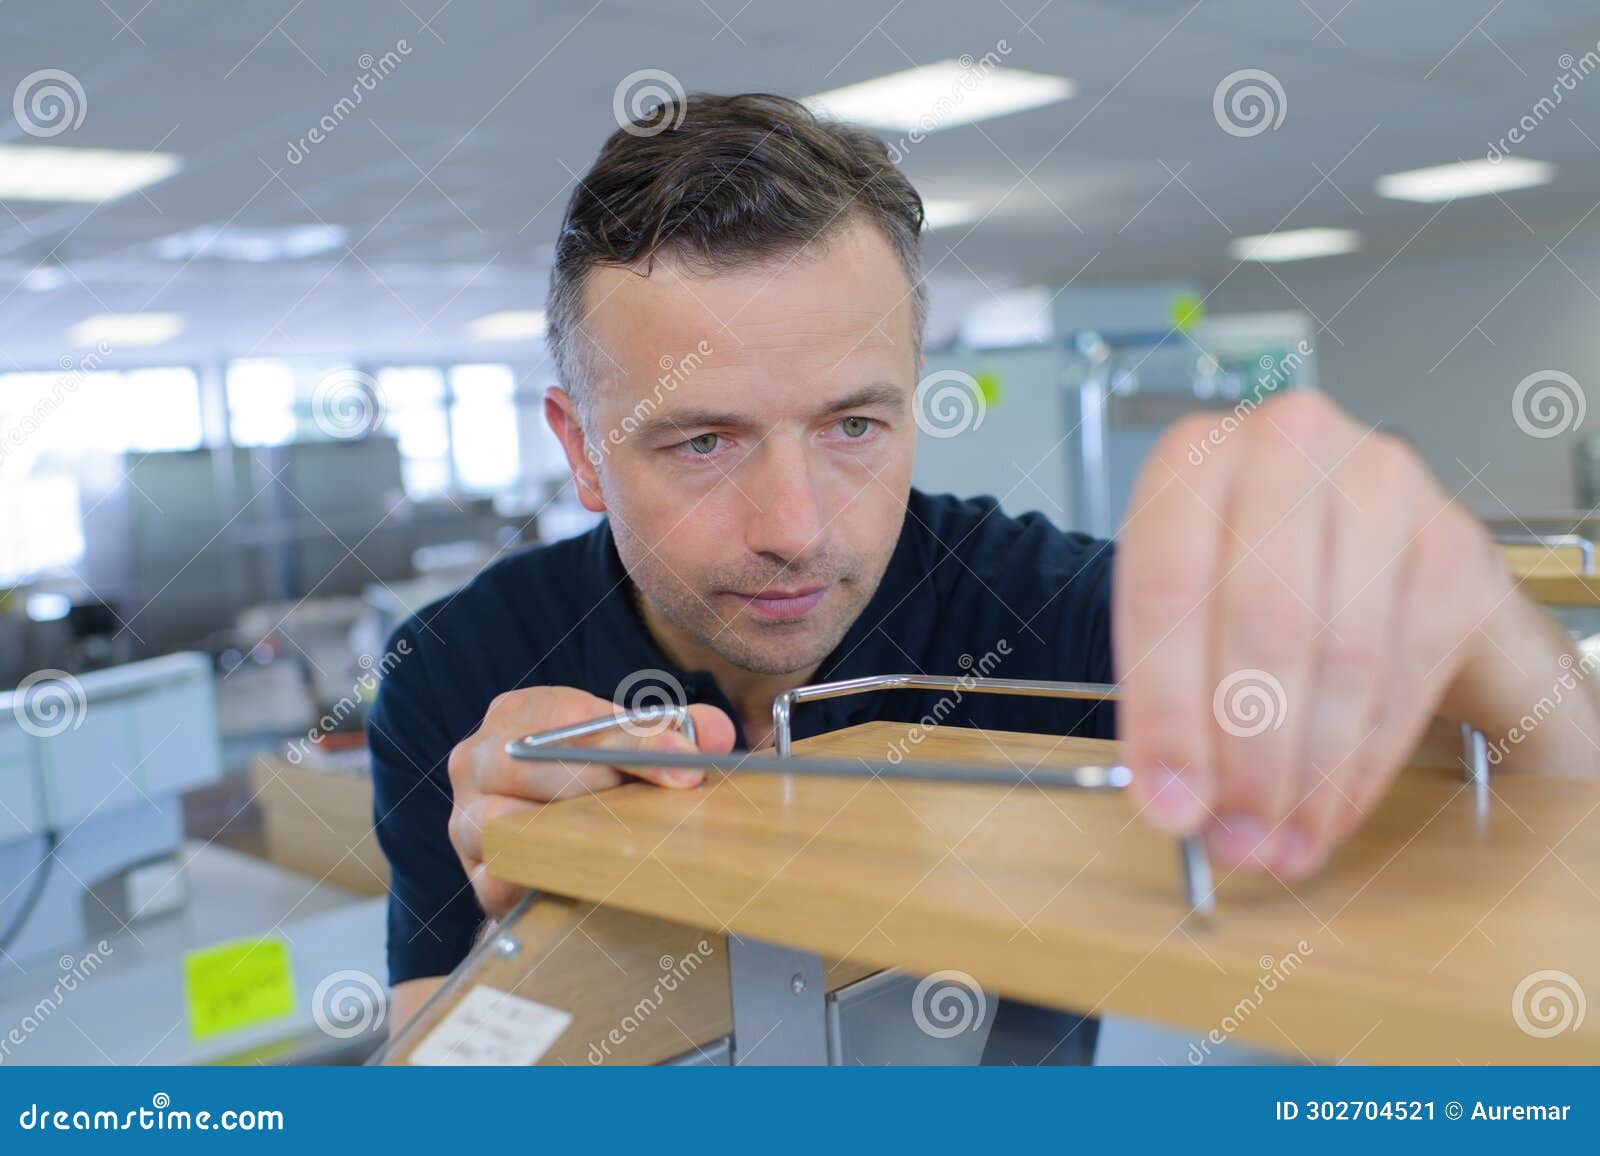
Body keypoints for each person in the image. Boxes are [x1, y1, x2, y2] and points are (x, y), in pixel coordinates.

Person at [369, 92, 1598, 1047]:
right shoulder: (462, 674)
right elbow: (436, 1059)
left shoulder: (1055, 612)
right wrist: (528, 926)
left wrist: (1496, 656)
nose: (795, 525)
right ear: (580, 449)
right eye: (702, 441)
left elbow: (1530, 893)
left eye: (855, 426)